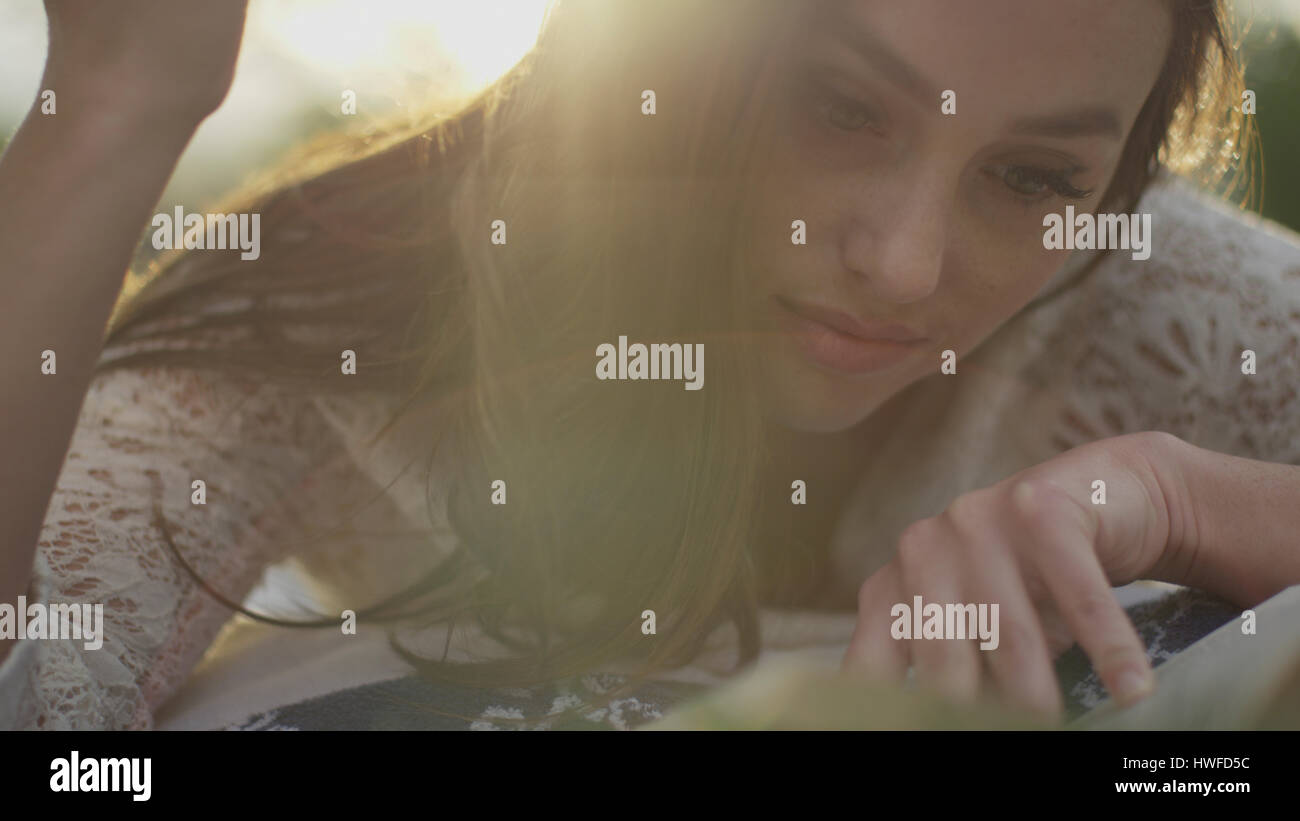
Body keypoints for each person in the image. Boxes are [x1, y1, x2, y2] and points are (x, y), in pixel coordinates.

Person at [2, 0, 1298, 730]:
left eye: (1032, 178)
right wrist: (115, 109)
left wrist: (1183, 501)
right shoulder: (351, 315)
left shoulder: (1153, 294)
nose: (905, 263)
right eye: (838, 105)